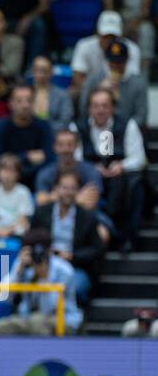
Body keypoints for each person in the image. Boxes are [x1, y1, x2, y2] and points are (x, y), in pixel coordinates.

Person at [76, 87, 145, 253]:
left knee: (136, 187)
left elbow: (139, 158)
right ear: (89, 109)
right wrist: (91, 168)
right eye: (96, 106)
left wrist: (121, 165)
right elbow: (75, 157)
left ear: (113, 107)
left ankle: (126, 239)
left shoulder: (127, 124)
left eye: (105, 105)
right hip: (89, 177)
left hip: (120, 178)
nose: (100, 110)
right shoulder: (78, 127)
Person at [30, 168, 102, 306]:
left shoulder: (87, 216)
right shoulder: (41, 212)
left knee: (76, 285)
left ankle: (69, 322)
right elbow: (30, 240)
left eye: (73, 188)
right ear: (56, 189)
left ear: (78, 191)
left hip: (75, 267)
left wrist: (72, 256)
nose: (68, 192)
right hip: (44, 265)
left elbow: (96, 249)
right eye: (64, 188)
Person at [0, 227, 83, 335]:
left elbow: (49, 307)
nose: (36, 255)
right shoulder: (24, 265)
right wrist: (17, 271)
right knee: (2, 326)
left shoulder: (64, 270)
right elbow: (1, 296)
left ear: (49, 251)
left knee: (37, 321)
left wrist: (44, 275)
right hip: (28, 317)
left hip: (62, 318)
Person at [78, 38, 148, 132]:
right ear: (107, 61)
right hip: (97, 129)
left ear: (127, 61)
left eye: (119, 62)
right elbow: (83, 109)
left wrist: (125, 130)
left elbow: (141, 115)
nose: (115, 65)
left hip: (128, 132)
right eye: (112, 61)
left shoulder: (138, 83)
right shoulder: (94, 79)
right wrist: (99, 89)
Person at [0, 83, 52, 184]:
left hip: (34, 177)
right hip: (6, 177)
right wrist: (26, 156)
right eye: (19, 101)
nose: (25, 105)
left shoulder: (44, 126)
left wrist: (13, 161)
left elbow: (49, 159)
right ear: (10, 103)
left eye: (29, 100)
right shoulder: (0, 125)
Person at [70, 11, 142, 95]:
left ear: (120, 35)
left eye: (113, 36)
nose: (109, 40)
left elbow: (132, 80)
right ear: (98, 33)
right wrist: (98, 89)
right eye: (106, 36)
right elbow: (78, 77)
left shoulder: (132, 49)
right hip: (91, 93)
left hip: (122, 92)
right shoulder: (84, 45)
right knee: (73, 93)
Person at [0, 153, 34, 238]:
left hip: (16, 230)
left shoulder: (24, 192)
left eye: (11, 170)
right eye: (4, 170)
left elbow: (23, 219)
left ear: (18, 174)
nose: (7, 174)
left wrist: (8, 231)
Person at [29, 55, 75, 133]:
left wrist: (44, 130)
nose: (41, 74)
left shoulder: (62, 95)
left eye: (44, 71)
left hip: (54, 136)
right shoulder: (24, 93)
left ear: (51, 72)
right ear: (32, 71)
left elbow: (65, 121)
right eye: (37, 70)